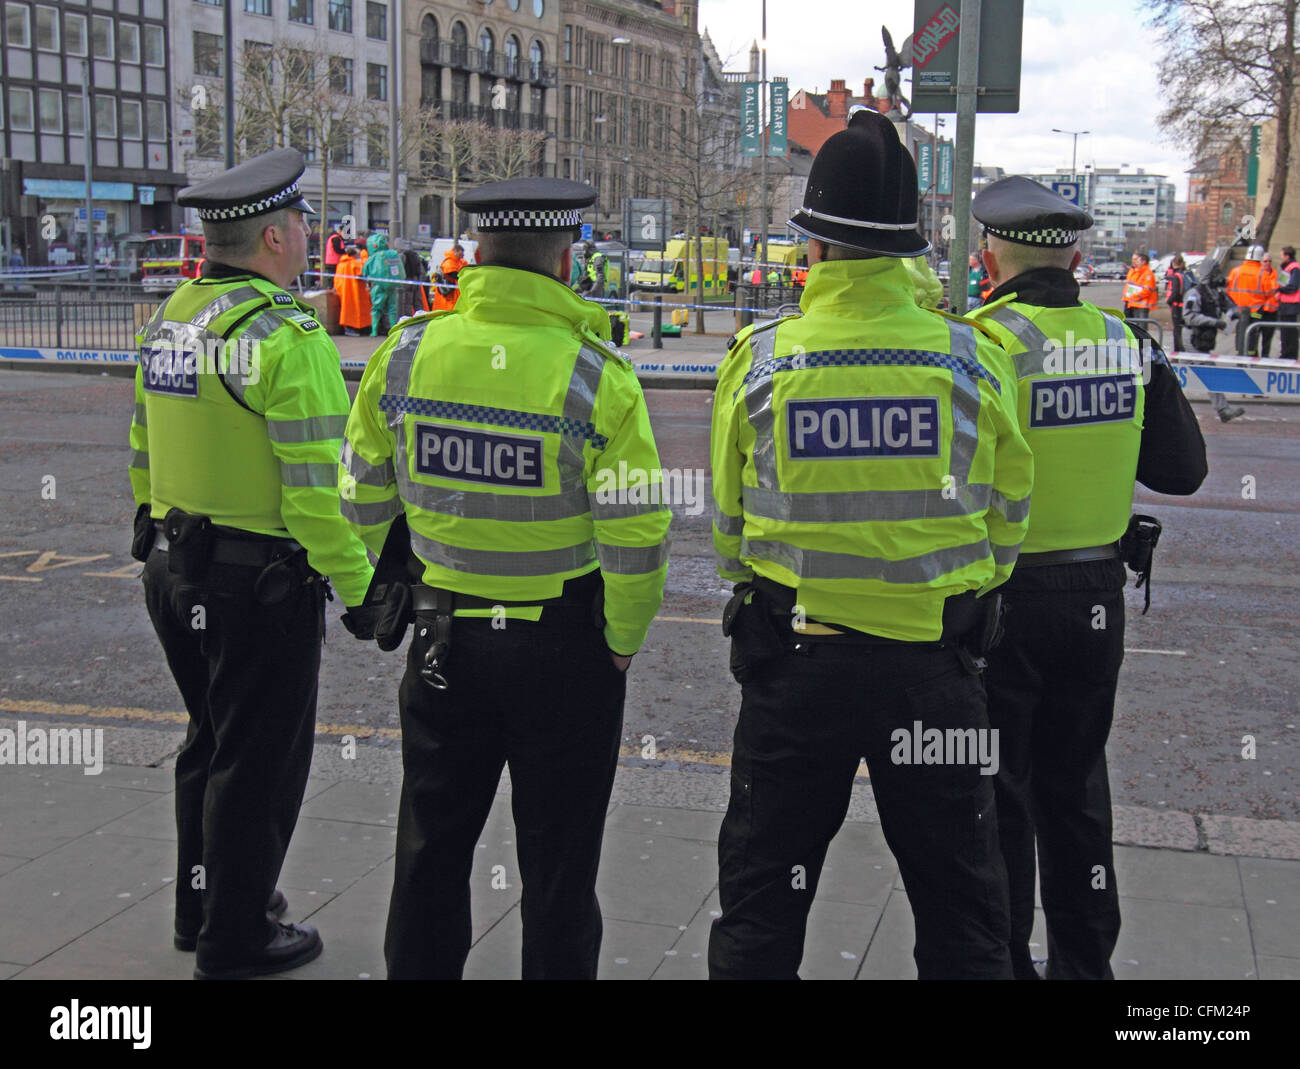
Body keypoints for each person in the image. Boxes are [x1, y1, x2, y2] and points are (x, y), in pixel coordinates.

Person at [707, 109, 1033, 981]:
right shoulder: (973, 361)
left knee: (761, 907)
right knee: (964, 909)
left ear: (815, 249)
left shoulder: (762, 359)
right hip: (935, 671)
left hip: (795, 669)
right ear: (910, 252)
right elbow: (1010, 515)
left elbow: (729, 529)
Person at [340, 178, 671, 980]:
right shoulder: (598, 378)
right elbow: (638, 538)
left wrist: (402, 573)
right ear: (565, 258)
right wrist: (620, 643)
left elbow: (360, 501)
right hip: (563, 652)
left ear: (476, 255)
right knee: (559, 867)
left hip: (442, 640)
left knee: (430, 846)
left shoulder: (406, 355)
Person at [127, 148, 377, 980]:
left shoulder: (171, 318)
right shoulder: (286, 335)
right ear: (274, 237)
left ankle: (200, 908)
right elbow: (316, 496)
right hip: (255, 584)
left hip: (172, 563)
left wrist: (153, 521)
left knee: (208, 739)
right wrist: (360, 590)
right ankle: (238, 935)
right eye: (302, 223)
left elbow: (141, 446)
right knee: (257, 759)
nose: (310, 235)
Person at [969, 176, 1208, 980]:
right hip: (1097, 603)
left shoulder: (982, 346)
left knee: (1000, 795)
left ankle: (1005, 962)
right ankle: (1084, 966)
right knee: (1075, 793)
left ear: (986, 259)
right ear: (1075, 257)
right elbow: (1182, 470)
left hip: (1001, 600)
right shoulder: (1126, 342)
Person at [1227, 245, 1270, 356]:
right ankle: (1251, 355)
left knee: (1239, 333)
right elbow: (1269, 292)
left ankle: (1239, 354)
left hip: (1238, 309)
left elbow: (1228, 289)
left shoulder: (1235, 271)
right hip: (1255, 310)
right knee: (1253, 333)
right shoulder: (1262, 273)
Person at [362, 232, 404, 335]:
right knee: (392, 308)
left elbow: (364, 271)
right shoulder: (393, 254)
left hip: (378, 286)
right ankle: (393, 329)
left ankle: (374, 331)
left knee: (376, 309)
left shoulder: (373, 257)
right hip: (392, 285)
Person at [333, 242, 371, 336]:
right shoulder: (354, 264)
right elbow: (363, 271)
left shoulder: (341, 264)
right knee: (357, 312)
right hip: (356, 292)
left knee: (347, 312)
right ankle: (358, 329)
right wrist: (365, 256)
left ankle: (349, 329)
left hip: (344, 292)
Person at [1277, 245, 1300, 359]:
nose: (1280, 257)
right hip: (1284, 305)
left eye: (1281, 255)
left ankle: (1289, 355)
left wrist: (1279, 289)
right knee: (1285, 332)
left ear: (1287, 256)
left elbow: (1292, 287)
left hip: (1291, 305)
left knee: (1289, 333)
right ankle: (1285, 354)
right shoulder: (1287, 268)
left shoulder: (1294, 268)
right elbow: (1282, 284)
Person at [1165, 253, 1191, 351]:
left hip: (1177, 306)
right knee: (1181, 329)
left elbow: (1175, 292)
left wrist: (1169, 301)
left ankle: (1178, 350)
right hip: (1183, 304)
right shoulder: (1184, 275)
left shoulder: (1176, 276)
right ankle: (1182, 349)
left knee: (1177, 330)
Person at [1122, 252, 1158, 323]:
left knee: (1141, 326)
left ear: (1143, 262)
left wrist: (1135, 296)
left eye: (1137, 260)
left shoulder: (1147, 274)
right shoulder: (1134, 271)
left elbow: (1147, 290)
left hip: (1141, 304)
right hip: (1132, 302)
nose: (1135, 262)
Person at [432, 242, 468, 311]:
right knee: (447, 309)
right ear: (455, 251)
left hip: (453, 292)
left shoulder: (458, 261)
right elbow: (452, 274)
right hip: (448, 293)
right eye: (461, 253)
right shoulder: (449, 261)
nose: (462, 255)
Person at [1258, 252, 1280, 357]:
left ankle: (1265, 356)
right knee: (1255, 334)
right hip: (1259, 310)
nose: (1267, 263)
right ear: (1261, 262)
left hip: (1272, 311)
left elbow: (1281, 288)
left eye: (1269, 261)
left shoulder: (1276, 274)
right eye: (1265, 261)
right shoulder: (1258, 274)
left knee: (1268, 336)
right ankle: (1253, 357)